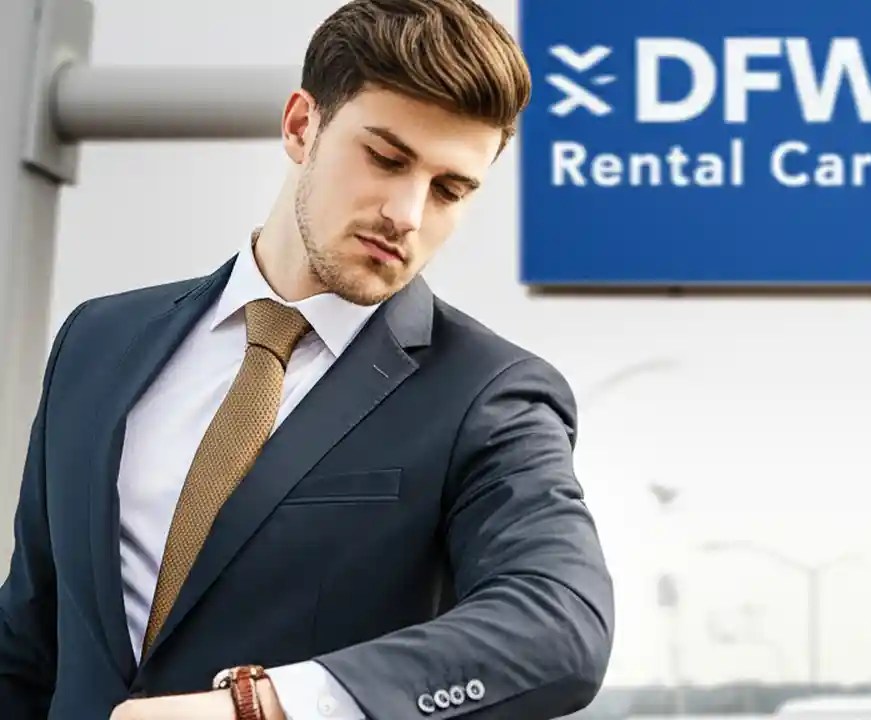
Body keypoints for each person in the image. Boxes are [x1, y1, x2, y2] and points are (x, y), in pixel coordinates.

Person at [0, 0, 614, 717]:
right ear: (301, 126)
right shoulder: (96, 340)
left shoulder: (488, 395)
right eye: (386, 158)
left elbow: (561, 626)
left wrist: (261, 706)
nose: (408, 214)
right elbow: (28, 640)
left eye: (450, 190)